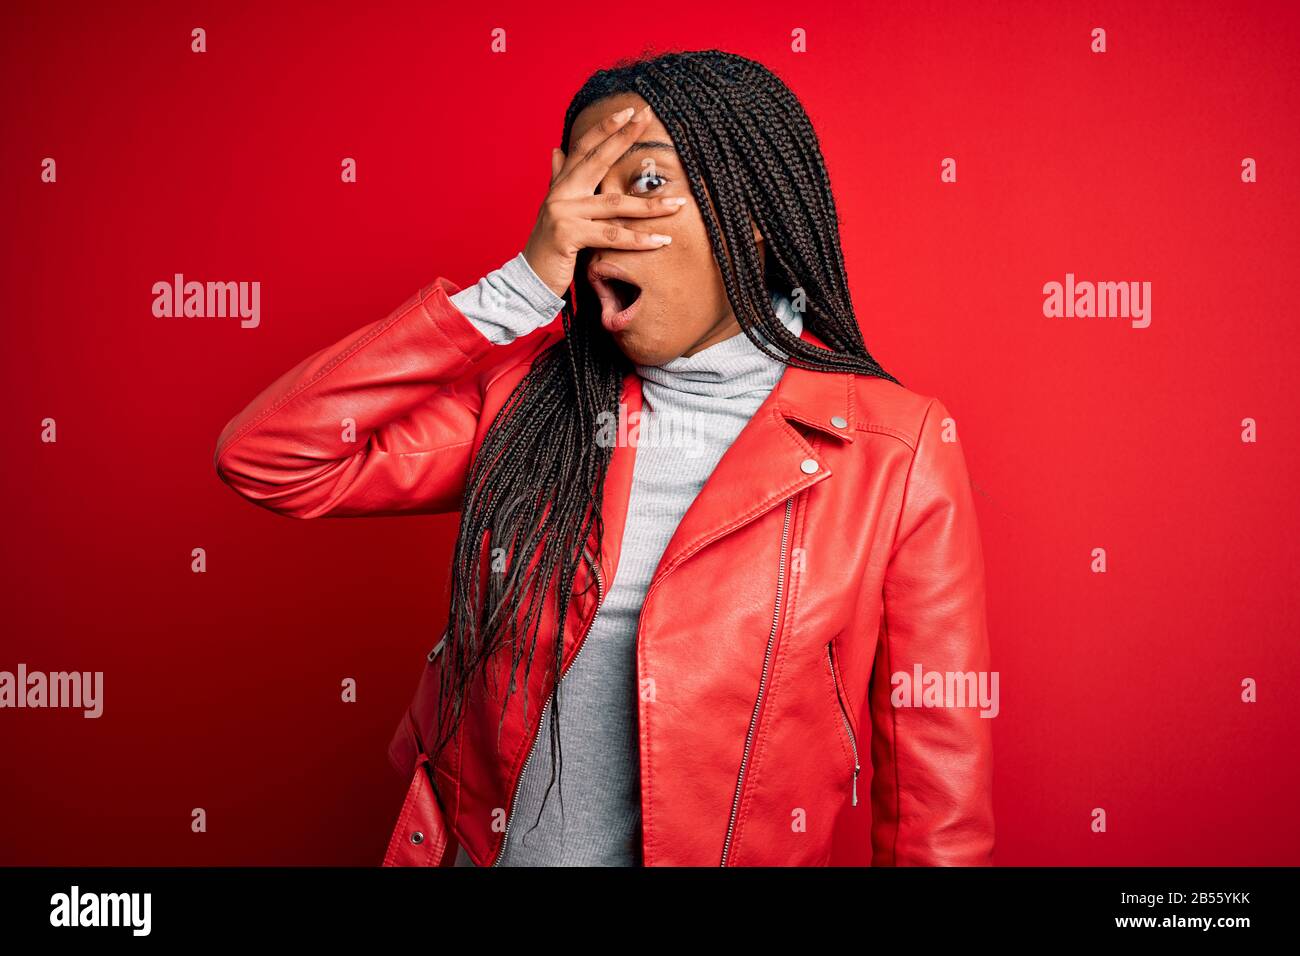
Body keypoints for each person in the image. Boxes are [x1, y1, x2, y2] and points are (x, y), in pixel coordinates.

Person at [213, 49, 995, 867]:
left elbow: (936, 805)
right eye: (582, 190)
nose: (590, 224)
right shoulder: (526, 404)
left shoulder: (892, 452)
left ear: (755, 214)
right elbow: (271, 456)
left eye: (646, 182)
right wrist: (515, 288)